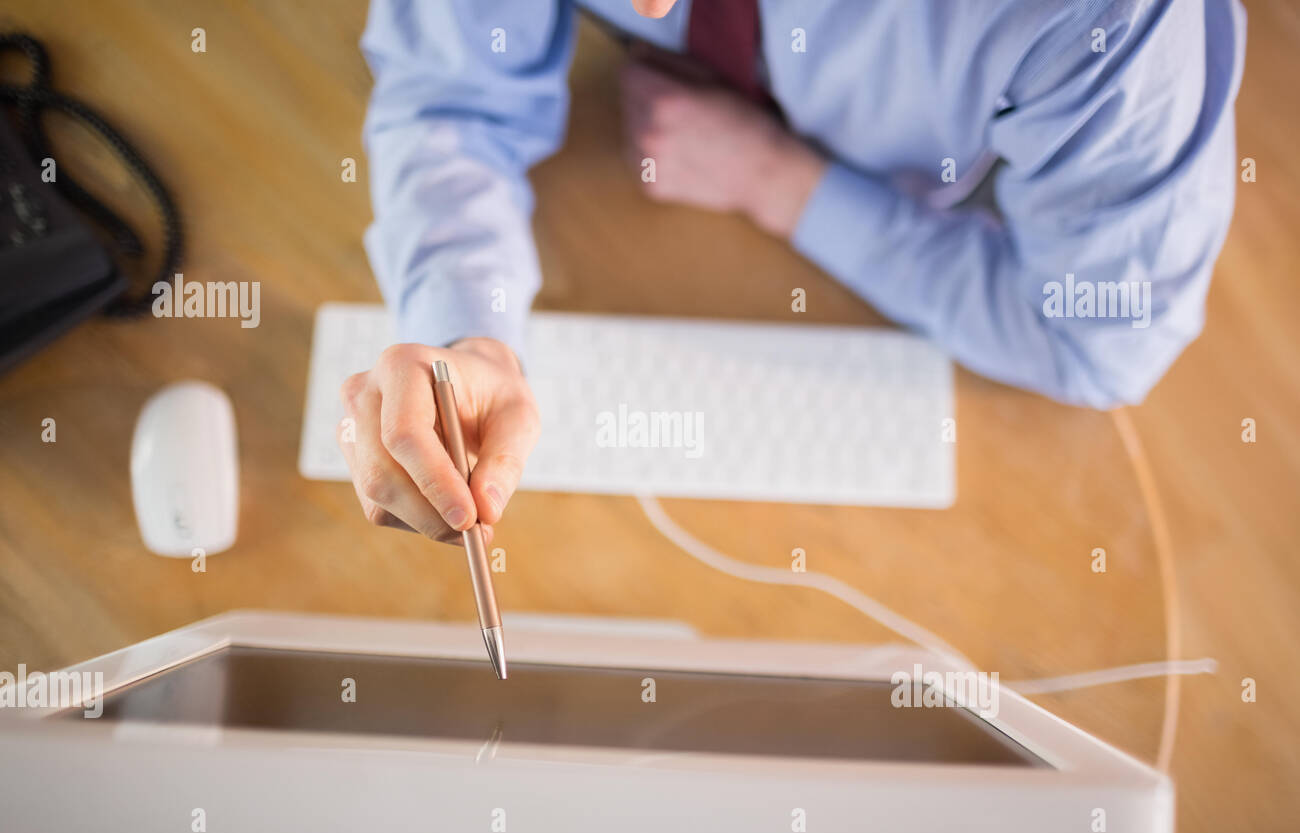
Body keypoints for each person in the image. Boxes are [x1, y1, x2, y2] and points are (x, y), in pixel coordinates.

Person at [343, 0, 1244, 543]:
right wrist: (470, 328)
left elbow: (1092, 342)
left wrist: (782, 183)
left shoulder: (1115, 27)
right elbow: (451, 95)